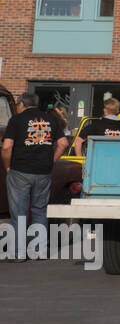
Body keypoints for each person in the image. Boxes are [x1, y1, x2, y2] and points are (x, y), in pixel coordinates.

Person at [2, 92, 69, 260]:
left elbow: (6, 147)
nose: (17, 107)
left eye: (17, 105)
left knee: (19, 212)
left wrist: (7, 166)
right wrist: (51, 160)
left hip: (20, 171)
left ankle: (18, 252)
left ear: (22, 104)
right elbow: (63, 143)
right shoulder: (51, 119)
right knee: (40, 210)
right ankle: (39, 250)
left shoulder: (16, 120)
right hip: (43, 172)